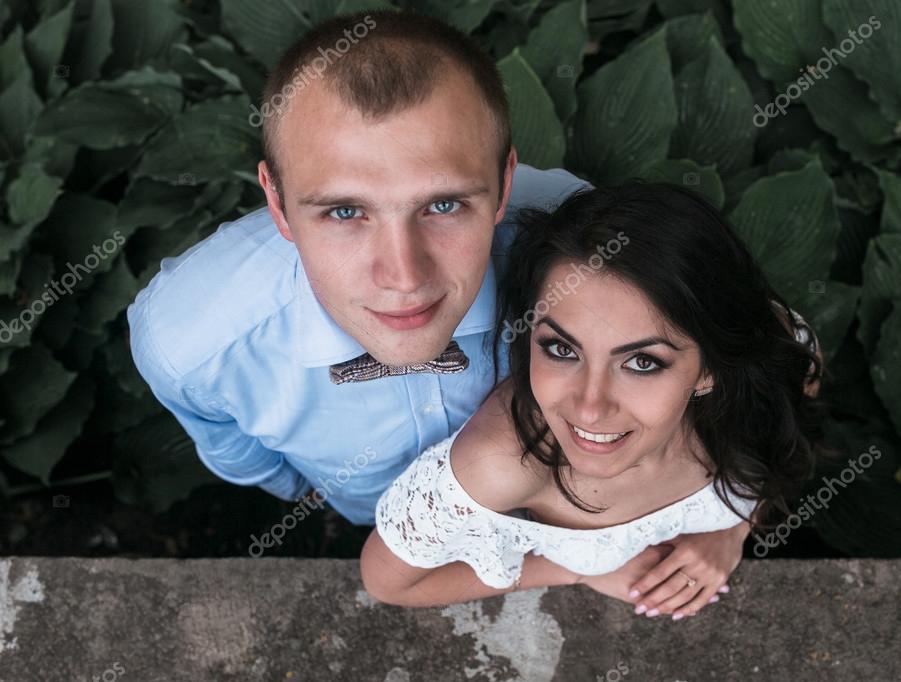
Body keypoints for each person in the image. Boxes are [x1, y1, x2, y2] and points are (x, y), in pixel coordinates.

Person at [127, 10, 767, 613]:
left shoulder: (572, 243)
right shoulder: (189, 339)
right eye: (345, 212)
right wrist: (310, 496)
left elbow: (740, 343)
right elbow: (241, 453)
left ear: (505, 184)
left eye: (443, 207)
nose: (403, 277)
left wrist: (729, 524)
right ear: (275, 200)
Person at [361, 183, 823, 620]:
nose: (589, 408)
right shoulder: (501, 463)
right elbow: (388, 583)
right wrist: (576, 570)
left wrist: (732, 531)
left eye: (642, 362)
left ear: (711, 370)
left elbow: (799, 380)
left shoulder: (766, 364)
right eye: (562, 350)